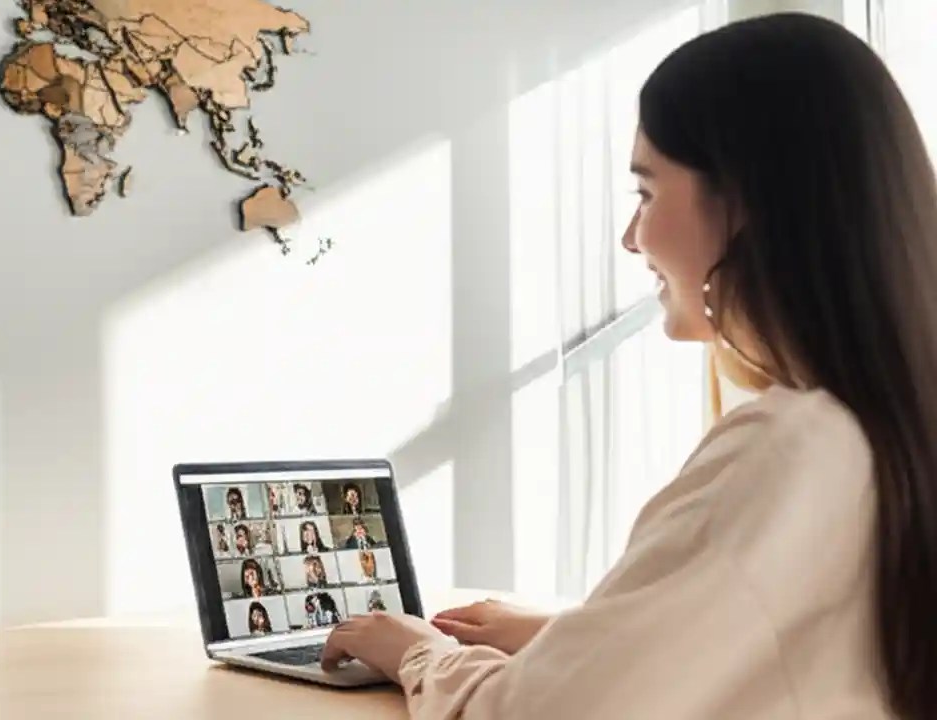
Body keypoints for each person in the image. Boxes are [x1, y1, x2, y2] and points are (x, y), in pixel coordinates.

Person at [320, 14, 937, 719]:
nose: (629, 238)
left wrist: (413, 649)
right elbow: (816, 655)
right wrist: (574, 637)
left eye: (645, 193)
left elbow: (530, 715)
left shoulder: (785, 450)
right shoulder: (885, 428)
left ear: (743, 205)